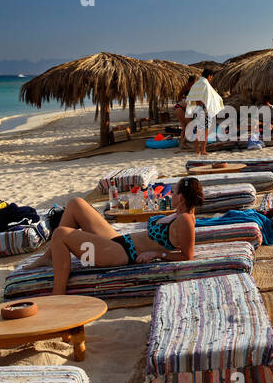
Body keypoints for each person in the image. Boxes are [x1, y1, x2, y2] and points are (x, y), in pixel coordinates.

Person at [49, 177, 204, 294]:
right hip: (120, 242)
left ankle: (58, 294)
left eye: (174, 192)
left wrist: (157, 254)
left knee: (60, 234)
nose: (171, 195)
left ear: (182, 198)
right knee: (76, 204)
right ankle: (50, 256)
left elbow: (187, 255)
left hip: (122, 254)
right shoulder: (180, 213)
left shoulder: (185, 220)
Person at [185, 69, 224, 156]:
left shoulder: (196, 84)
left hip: (197, 109)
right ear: (209, 75)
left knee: (197, 130)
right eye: (211, 77)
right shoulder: (206, 84)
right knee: (204, 131)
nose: (211, 79)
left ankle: (196, 150)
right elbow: (212, 97)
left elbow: (191, 97)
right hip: (203, 109)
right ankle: (203, 150)